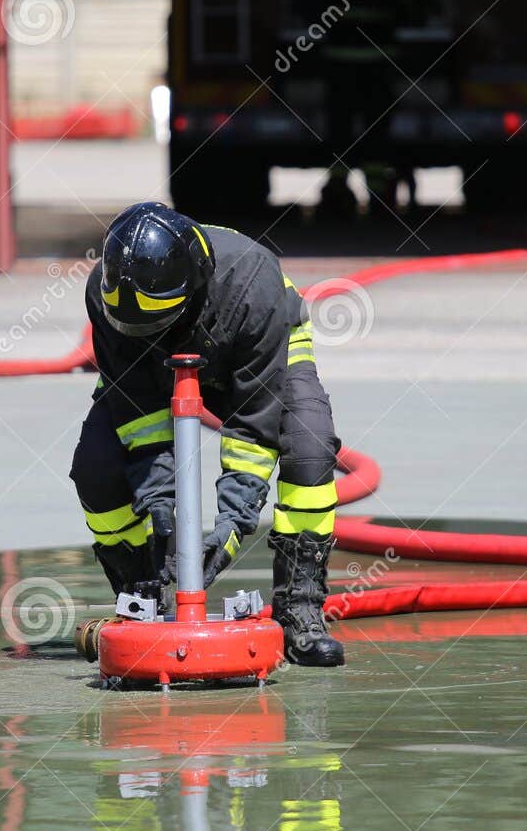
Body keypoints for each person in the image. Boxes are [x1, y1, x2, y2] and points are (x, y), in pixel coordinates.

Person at [69, 203, 345, 667]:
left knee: (309, 445)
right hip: (151, 369)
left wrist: (232, 528)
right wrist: (160, 509)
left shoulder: (253, 283)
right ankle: (144, 595)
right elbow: (140, 417)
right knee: (97, 466)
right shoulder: (109, 294)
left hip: (255, 345)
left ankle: (300, 610)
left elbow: (253, 429)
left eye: (159, 322)